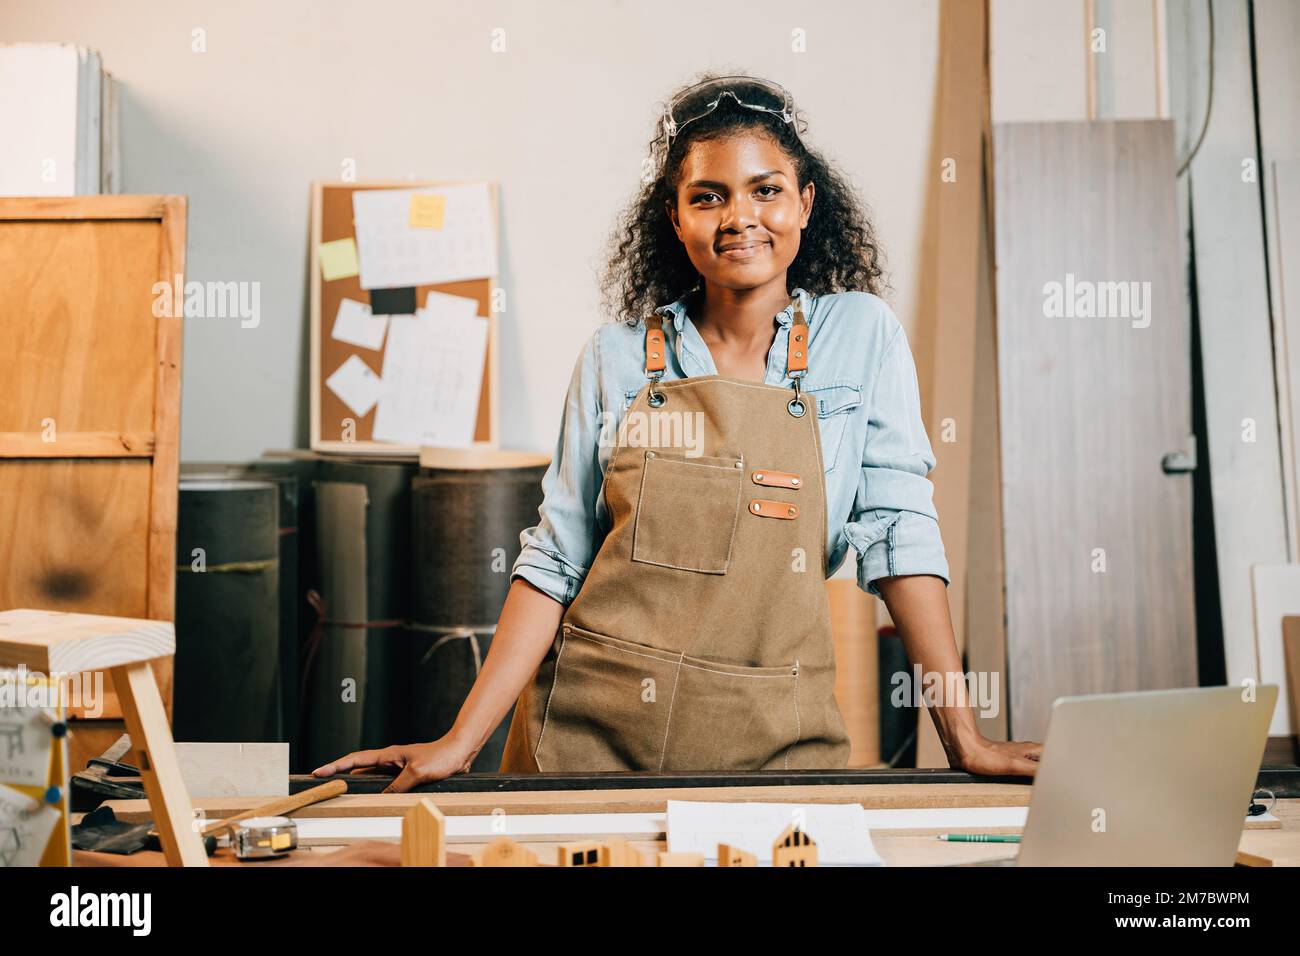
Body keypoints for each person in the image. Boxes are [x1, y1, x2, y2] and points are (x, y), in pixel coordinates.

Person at [314, 73, 1042, 791]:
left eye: (766, 189)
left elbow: (901, 535)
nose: (739, 217)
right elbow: (556, 559)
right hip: (587, 745)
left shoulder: (861, 338)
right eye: (708, 196)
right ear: (674, 216)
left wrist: (964, 738)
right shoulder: (617, 358)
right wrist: (460, 742)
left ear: (806, 202)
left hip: (774, 744)